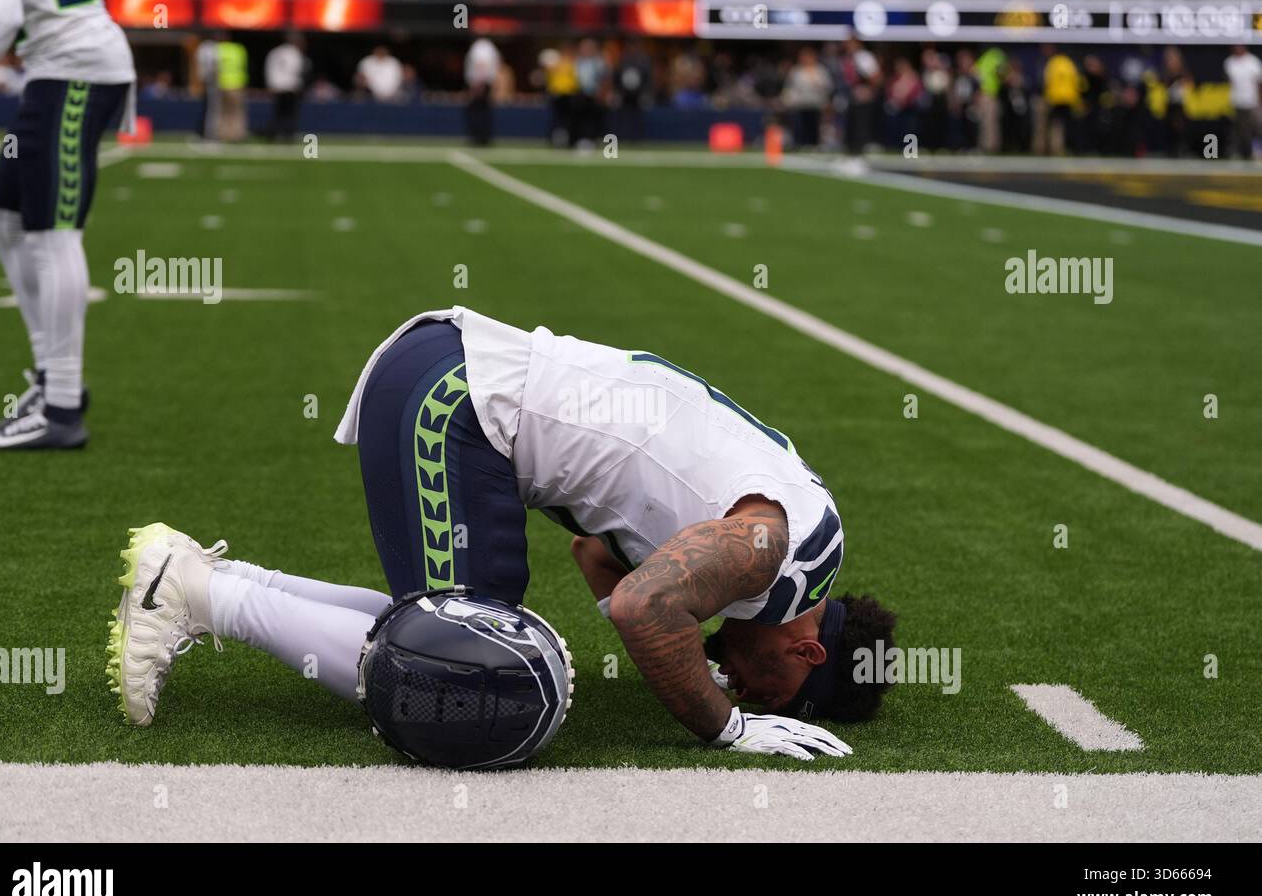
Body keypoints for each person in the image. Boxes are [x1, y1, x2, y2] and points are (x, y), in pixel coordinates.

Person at [107, 308, 897, 759]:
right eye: (783, 696)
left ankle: (213, 581)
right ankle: (196, 595)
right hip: (459, 405)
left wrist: (672, 645)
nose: (763, 696)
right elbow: (641, 607)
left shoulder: (799, 537)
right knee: (479, 678)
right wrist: (727, 725)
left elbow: (597, 556)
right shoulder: (776, 550)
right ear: (807, 651)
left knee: (470, 636)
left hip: (456, 388)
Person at [0, 0, 135, 450]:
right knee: (1, 213)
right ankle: (49, 380)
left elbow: (2, 15)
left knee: (53, 234)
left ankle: (60, 406)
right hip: (65, 68)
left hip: (73, 71)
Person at [782, 47, 830, 149]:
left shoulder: (820, 70)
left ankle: (814, 145)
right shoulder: (796, 71)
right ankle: (800, 145)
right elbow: (789, 88)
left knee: (814, 127)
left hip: (815, 104)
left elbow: (827, 87)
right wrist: (788, 100)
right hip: (799, 105)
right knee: (800, 128)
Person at [264, 33, 308, 143]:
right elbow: (295, 70)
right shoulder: (294, 53)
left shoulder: (275, 52)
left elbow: (269, 69)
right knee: (289, 113)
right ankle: (288, 136)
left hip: (277, 86)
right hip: (290, 86)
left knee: (278, 112)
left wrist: (271, 84)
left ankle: (272, 134)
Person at [1224, 44, 1262, 160]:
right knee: (1241, 130)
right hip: (1237, 101)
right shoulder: (1229, 62)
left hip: (1252, 101)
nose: (1237, 48)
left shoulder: (1253, 61)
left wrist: (1260, 102)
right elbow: (1229, 83)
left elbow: (1259, 84)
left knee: (1257, 127)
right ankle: (1246, 154)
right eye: (1235, 46)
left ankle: (1257, 151)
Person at [463, 34, 501, 146]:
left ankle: (479, 138)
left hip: (480, 83)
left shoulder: (480, 46)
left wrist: (478, 82)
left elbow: (481, 64)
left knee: (478, 111)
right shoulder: (490, 47)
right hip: (484, 82)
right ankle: (483, 137)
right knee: (483, 110)